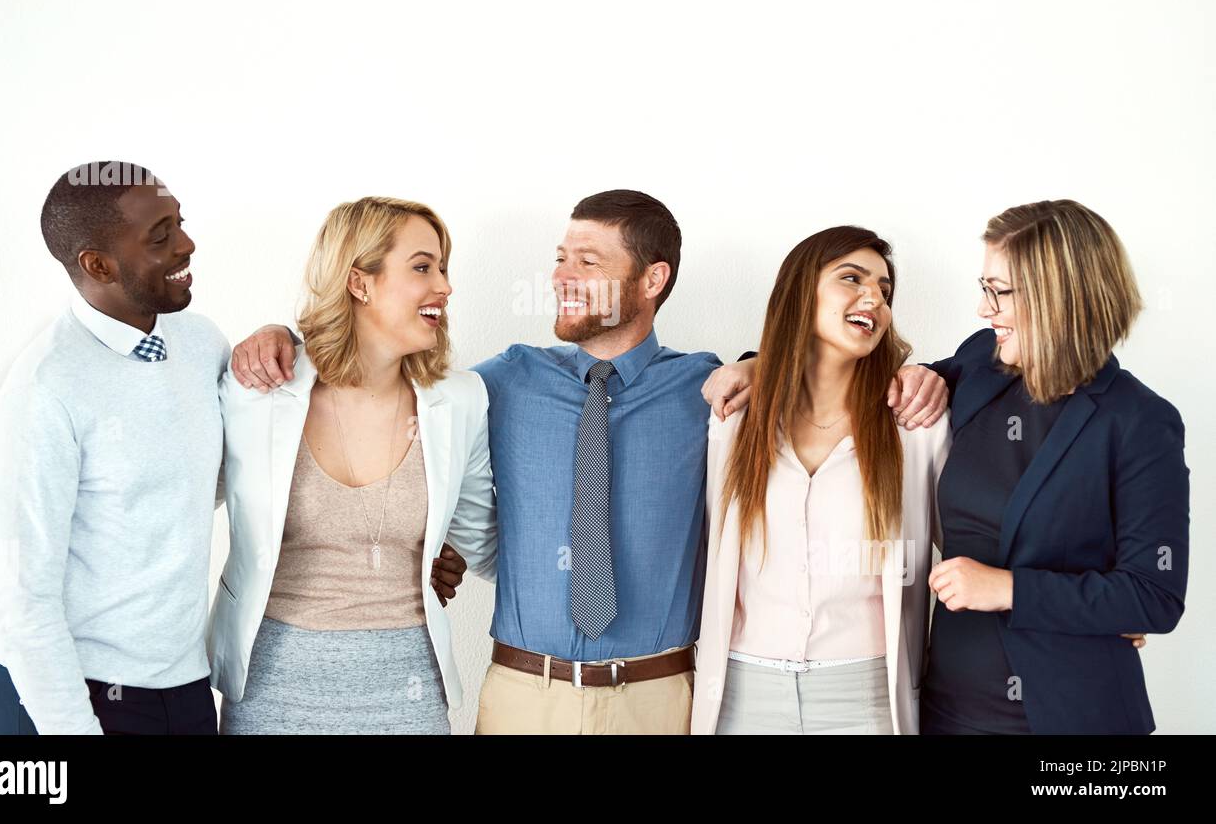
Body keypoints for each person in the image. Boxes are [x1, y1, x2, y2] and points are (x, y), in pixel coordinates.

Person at [231, 191, 947, 734]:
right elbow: (378, 371)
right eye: (560, 258)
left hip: (660, 700)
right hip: (519, 697)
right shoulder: (499, 382)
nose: (561, 276)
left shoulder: (711, 392)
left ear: (652, 279)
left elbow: (810, 382)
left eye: (588, 262)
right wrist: (287, 338)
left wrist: (819, 368)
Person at [704, 200, 1185, 734]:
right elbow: (881, 377)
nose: (985, 310)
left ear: (1060, 293)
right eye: (985, 289)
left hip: (1072, 714)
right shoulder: (983, 367)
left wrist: (1008, 589)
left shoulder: (1141, 422)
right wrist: (758, 364)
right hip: (952, 708)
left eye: (999, 292)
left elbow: (1155, 596)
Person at [208, 198, 496, 734]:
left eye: (443, 267)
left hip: (408, 693)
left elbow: (489, 545)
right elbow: (181, 503)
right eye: (422, 267)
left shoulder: (460, 401)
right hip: (273, 689)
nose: (445, 286)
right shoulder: (258, 390)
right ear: (359, 283)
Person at [0, 161, 227, 734]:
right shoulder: (42, 393)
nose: (187, 245)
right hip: (64, 693)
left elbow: (207, 477)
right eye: (160, 236)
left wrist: (277, 342)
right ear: (97, 264)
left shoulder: (200, 341)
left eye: (179, 224)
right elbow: (26, 604)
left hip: (183, 685)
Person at [693, 226, 950, 735]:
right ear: (799, 292)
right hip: (743, 694)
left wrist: (1085, 603)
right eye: (851, 278)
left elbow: (977, 542)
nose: (873, 297)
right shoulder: (734, 419)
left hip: (867, 696)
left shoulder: (914, 425)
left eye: (884, 289)